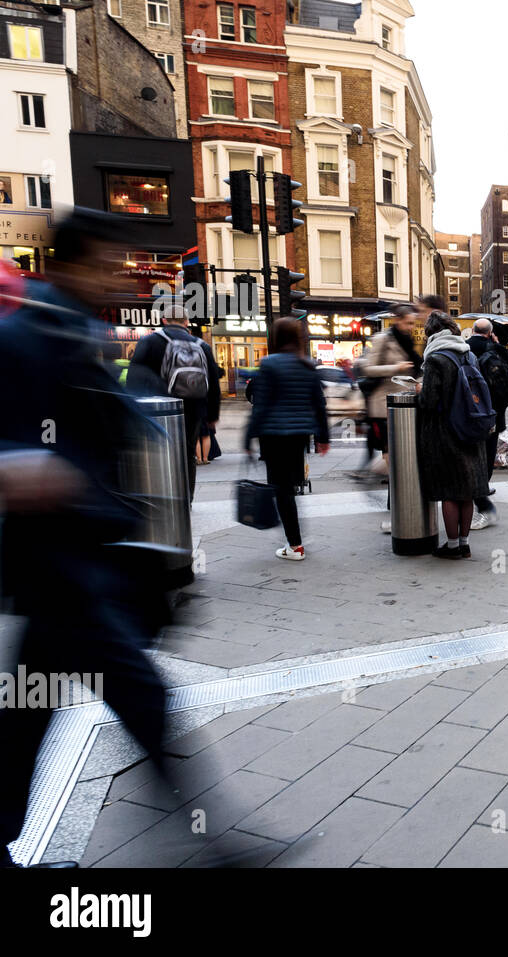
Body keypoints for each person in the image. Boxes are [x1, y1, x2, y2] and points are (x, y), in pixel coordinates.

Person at [0, 209, 172, 867]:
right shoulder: (24, 333)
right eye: (107, 265)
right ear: (71, 262)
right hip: (59, 566)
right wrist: (20, 462)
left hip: (73, 567)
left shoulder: (72, 329)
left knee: (24, 718)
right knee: (142, 695)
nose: (117, 279)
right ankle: (210, 838)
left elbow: (113, 416)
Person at [244, 319, 331, 561]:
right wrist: (323, 437)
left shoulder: (269, 364)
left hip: (273, 436)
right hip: (298, 436)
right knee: (289, 489)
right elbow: (319, 404)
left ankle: (295, 545)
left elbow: (260, 405)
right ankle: (295, 540)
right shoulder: (307, 365)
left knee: (282, 490)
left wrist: (248, 436)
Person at [126, 303, 222, 500]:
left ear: (163, 321)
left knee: (157, 452)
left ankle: (162, 497)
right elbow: (213, 383)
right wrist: (212, 415)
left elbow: (134, 377)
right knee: (188, 454)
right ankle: (187, 499)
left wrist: (132, 406)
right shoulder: (202, 345)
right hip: (192, 409)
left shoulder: (150, 342)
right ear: (186, 322)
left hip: (158, 408)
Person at [418, 313, 492, 558]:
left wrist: (419, 390)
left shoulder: (436, 359)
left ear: (432, 334)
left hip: (446, 433)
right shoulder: (468, 353)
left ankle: (451, 547)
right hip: (472, 429)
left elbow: (429, 401)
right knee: (467, 491)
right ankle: (465, 543)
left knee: (450, 492)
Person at [356, 303, 421, 481]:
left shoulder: (408, 341)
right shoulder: (382, 339)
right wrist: (396, 367)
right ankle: (397, 485)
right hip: (382, 403)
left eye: (413, 323)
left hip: (402, 402)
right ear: (397, 320)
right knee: (389, 447)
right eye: (408, 323)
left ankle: (397, 482)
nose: (411, 327)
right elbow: (368, 368)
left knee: (400, 446)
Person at [466, 317, 508, 529]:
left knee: (472, 450)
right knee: (488, 451)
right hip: (494, 412)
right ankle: (483, 485)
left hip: (472, 409)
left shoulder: (465, 347)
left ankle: (474, 488)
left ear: (473, 330)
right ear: (490, 332)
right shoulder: (496, 348)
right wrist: (498, 344)